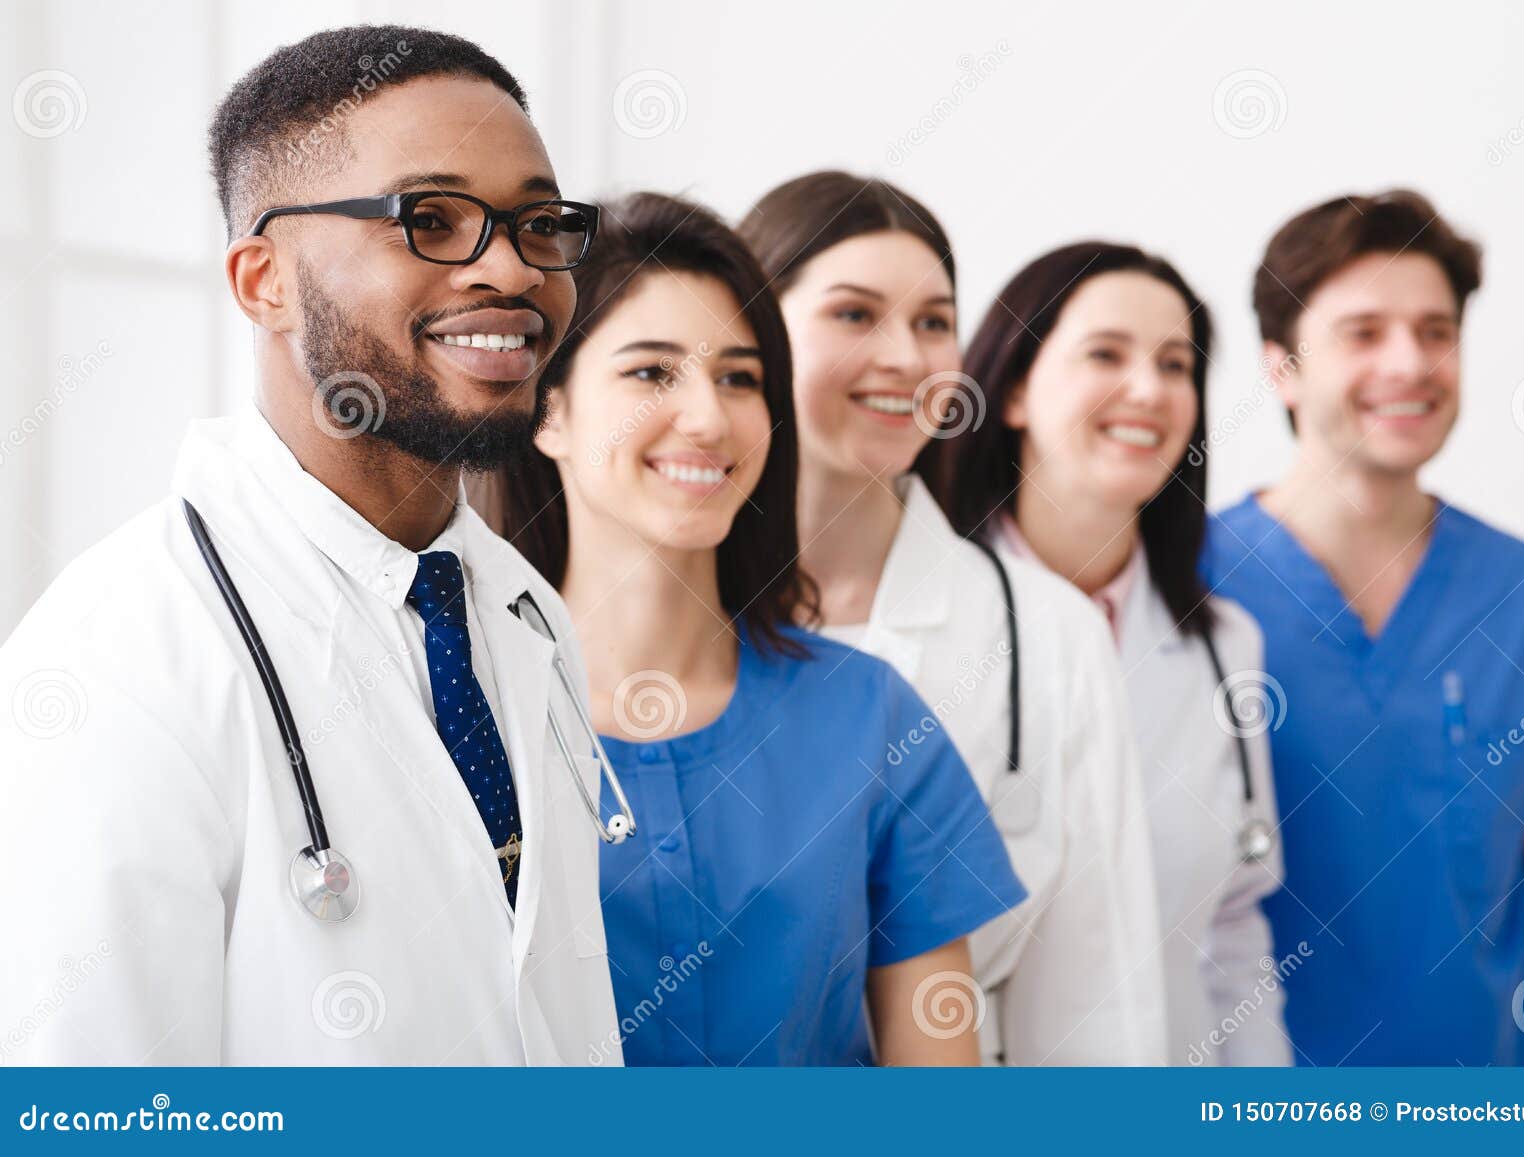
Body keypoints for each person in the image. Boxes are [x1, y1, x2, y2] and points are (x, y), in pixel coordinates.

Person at [0, 26, 620, 1064]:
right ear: (263, 280)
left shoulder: (523, 610)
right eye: (431, 219)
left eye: (538, 223)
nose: (514, 269)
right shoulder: (118, 657)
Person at [486, 192, 1025, 1066]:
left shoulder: (871, 716)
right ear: (547, 410)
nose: (708, 417)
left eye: (739, 378)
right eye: (652, 372)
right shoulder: (466, 715)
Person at [739, 173, 1166, 1065]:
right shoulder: (656, 616)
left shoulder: (1049, 635)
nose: (906, 357)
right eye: (855, 314)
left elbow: (1098, 1003)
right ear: (751, 330)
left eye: (934, 322)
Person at [1201, 189, 1524, 1065]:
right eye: (1364, 332)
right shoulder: (1186, 590)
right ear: (1282, 368)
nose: (1411, 362)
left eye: (1436, 331)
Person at [928, 241, 1289, 1066]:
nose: (1149, 390)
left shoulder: (1227, 647)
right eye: (1106, 354)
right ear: (1014, 389)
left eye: (1175, 364)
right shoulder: (929, 625)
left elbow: (1233, 928)